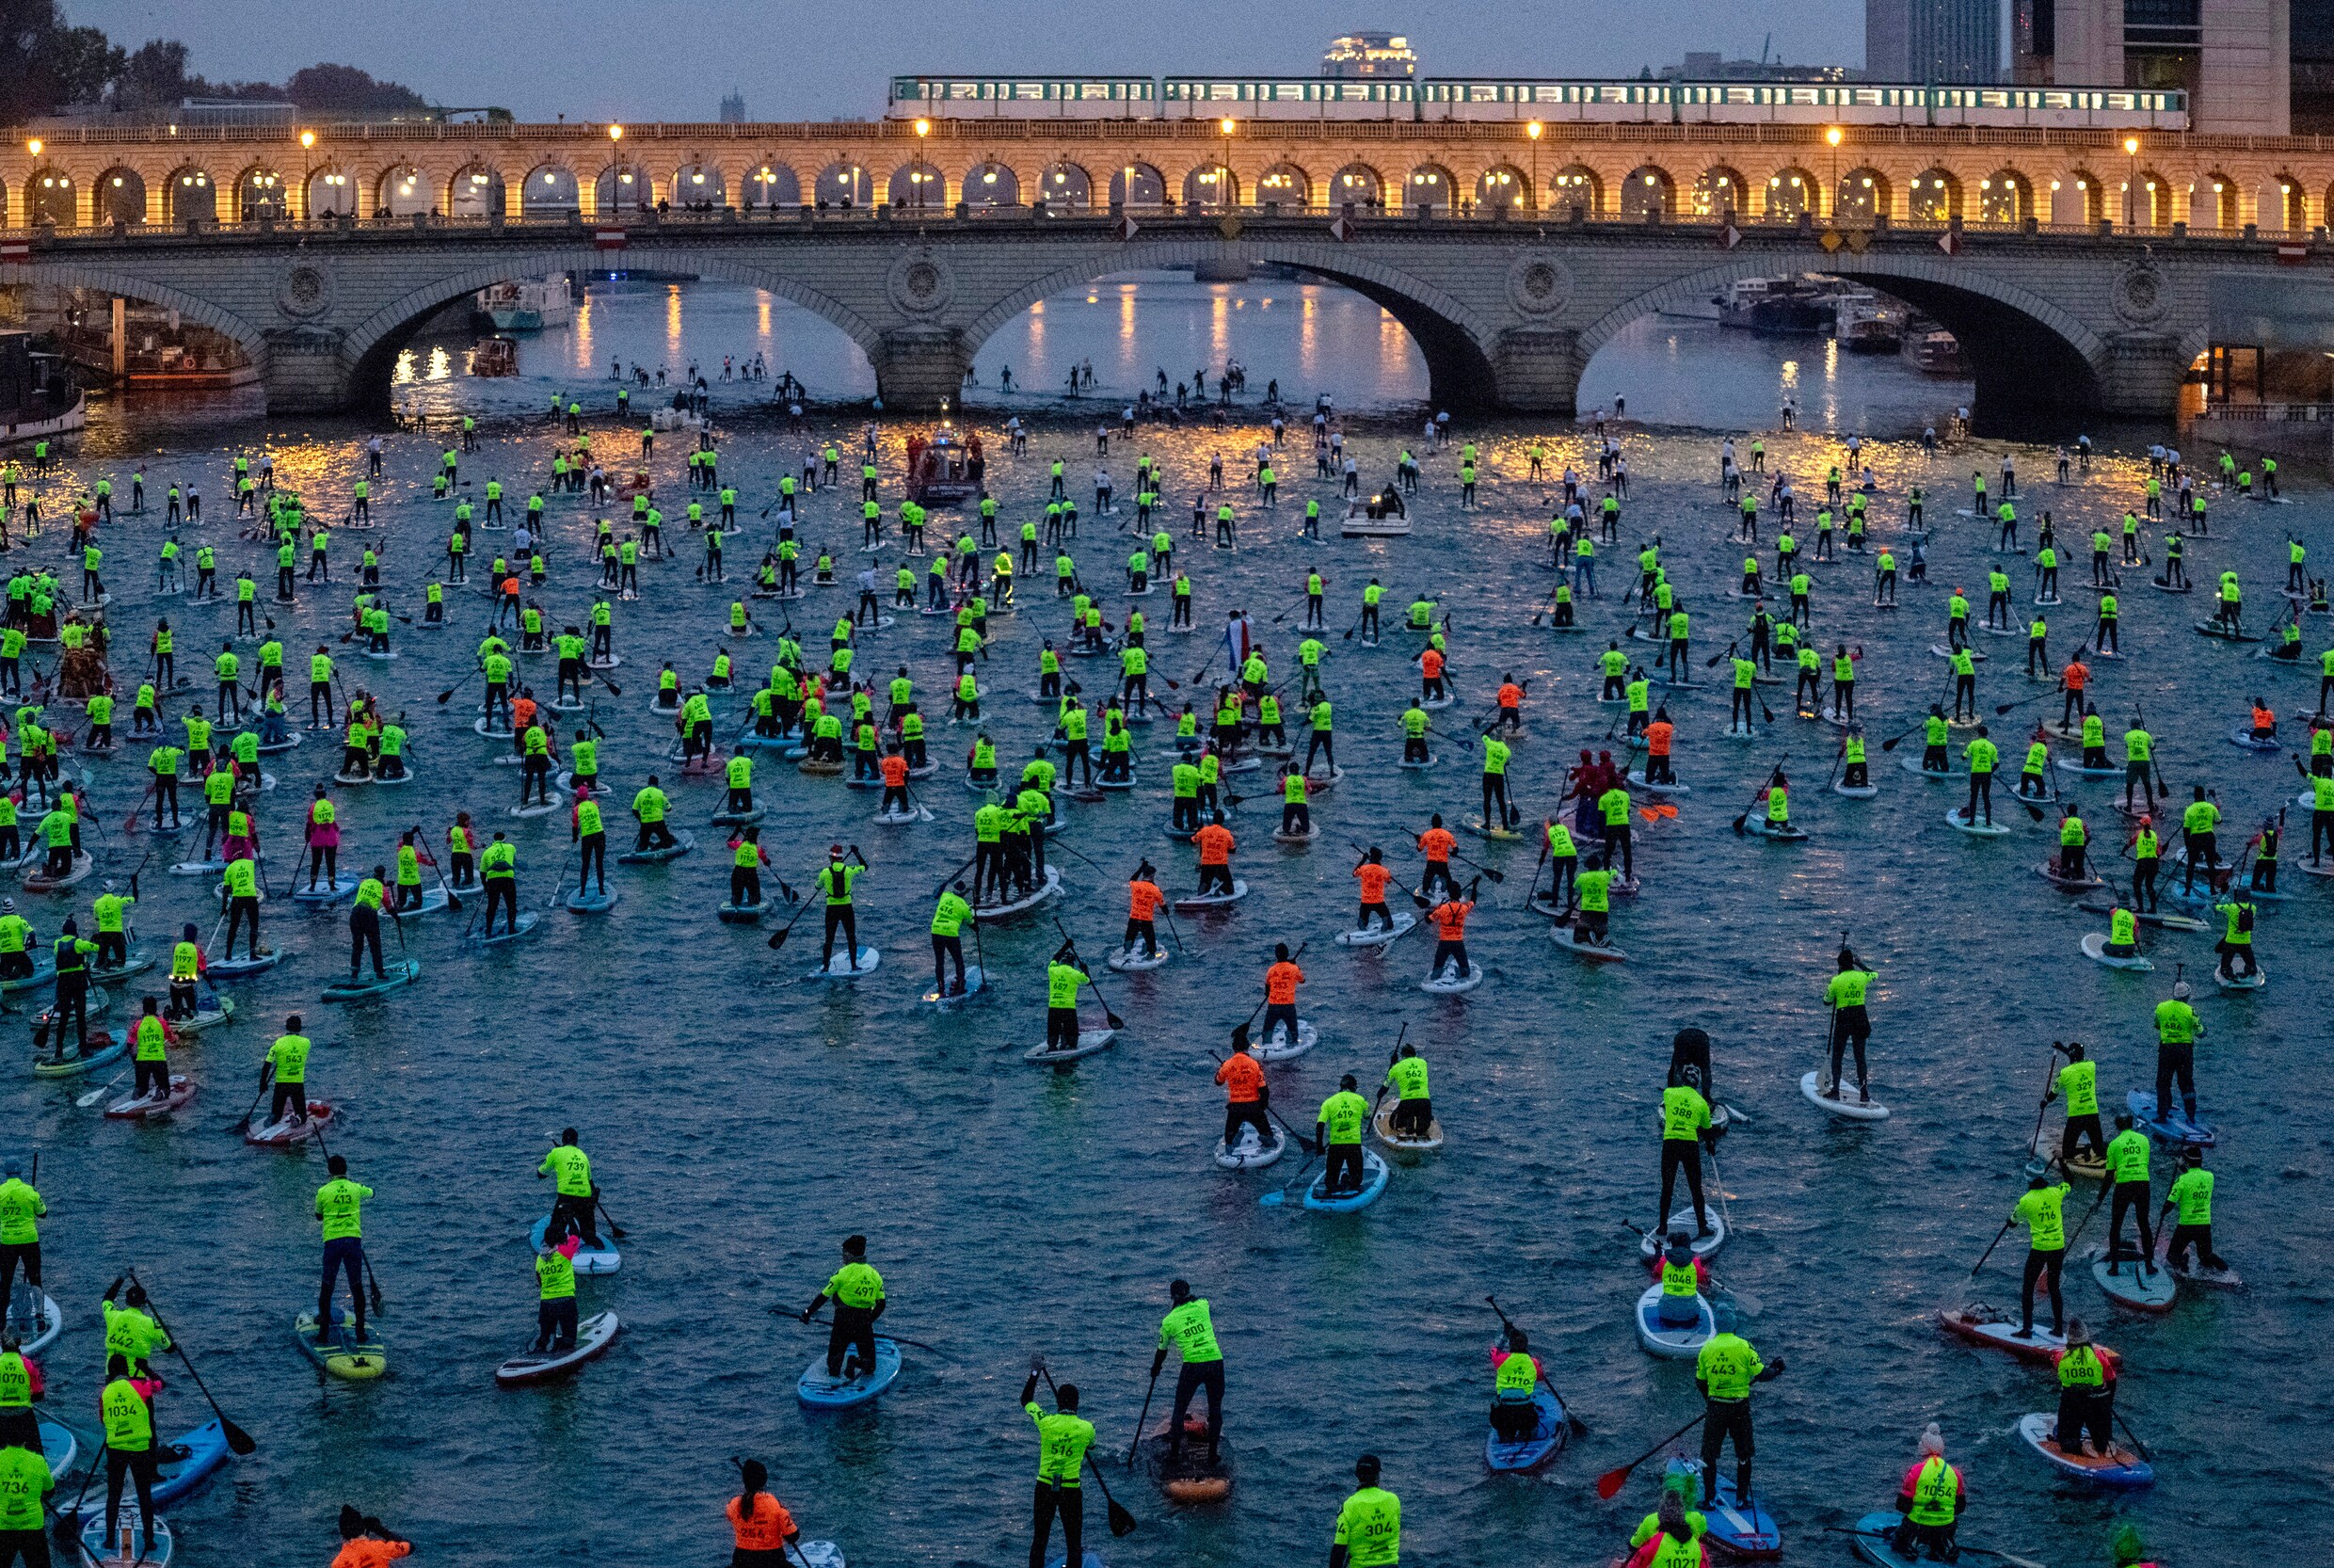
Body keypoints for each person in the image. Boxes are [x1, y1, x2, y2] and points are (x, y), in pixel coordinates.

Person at [1694, 1328, 1782, 1507]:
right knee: (1744, 1454)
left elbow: (1700, 1381)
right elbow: (1762, 1375)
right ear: (1734, 1327)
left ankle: (1709, 1500)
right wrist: (1777, 1369)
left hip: (1716, 1409)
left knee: (1708, 1454)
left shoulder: (1707, 1348)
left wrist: (1710, 1401)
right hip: (1740, 1409)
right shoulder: (1744, 1346)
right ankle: (1741, 1500)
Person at [1021, 1355, 1094, 1568]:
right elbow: (1092, 1447)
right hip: (1070, 1490)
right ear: (1077, 1404)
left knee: (1039, 1541)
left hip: (1044, 1487)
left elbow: (1026, 1400)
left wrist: (1035, 1373)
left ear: (1058, 1402)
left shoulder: (1046, 1422)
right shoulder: (1087, 1428)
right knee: (1074, 1544)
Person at [1153, 1278, 1225, 1465]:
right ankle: (1212, 1456)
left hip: (1193, 1364)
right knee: (1215, 1410)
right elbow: (1198, 1299)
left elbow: (1162, 1351)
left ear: (1171, 1297)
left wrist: (1156, 1369)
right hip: (1215, 1361)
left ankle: (1175, 1455)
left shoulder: (1168, 1321)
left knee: (1179, 1410)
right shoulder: (1203, 1305)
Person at [799, 1234, 885, 1382]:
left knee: (833, 1365)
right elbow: (881, 1305)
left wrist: (807, 1313)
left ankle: (837, 1369)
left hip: (843, 1321)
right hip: (864, 1321)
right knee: (870, 1366)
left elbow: (823, 1297)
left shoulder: (842, 1274)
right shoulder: (875, 1275)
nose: (843, 1257)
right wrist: (868, 1321)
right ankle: (857, 1361)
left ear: (850, 1254)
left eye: (844, 1253)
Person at [98, 1352, 159, 1558]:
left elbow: (103, 1420)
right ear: (126, 1369)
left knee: (113, 1495)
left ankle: (109, 1539)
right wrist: (146, 1369)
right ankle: (149, 1541)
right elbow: (160, 1384)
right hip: (140, 1449)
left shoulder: (105, 1392)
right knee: (144, 1495)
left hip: (115, 1450)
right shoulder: (140, 1386)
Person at [312, 1154, 372, 1346]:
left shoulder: (323, 1191)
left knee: (327, 1286)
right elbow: (371, 1193)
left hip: (332, 1243)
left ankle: (323, 1334)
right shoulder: (355, 1188)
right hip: (353, 1242)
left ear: (329, 1172)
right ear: (345, 1170)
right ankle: (361, 1333)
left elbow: (319, 1216)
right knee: (356, 1286)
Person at [1888, 1422, 1966, 1562]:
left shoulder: (1916, 1471)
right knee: (1939, 1540)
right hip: (1946, 1526)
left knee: (1896, 1544)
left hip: (1919, 1525)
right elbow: (1959, 1508)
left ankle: (1912, 1543)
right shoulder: (1956, 1473)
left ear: (1923, 1447)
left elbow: (1903, 1506)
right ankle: (1943, 1544)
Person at [2012, 1167, 2071, 1338]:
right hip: (2057, 1247)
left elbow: (2014, 1221)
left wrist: (2009, 1221)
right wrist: (2062, 1162)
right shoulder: (2056, 1192)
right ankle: (2059, 1328)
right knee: (2054, 1287)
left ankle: (2027, 1329)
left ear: (2029, 1180)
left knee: (2028, 1287)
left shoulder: (2025, 1200)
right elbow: (2069, 1183)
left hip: (2039, 1249)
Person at [2049, 1320, 2114, 1458]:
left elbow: (2059, 1374)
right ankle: (2107, 1444)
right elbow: (2112, 1380)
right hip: (2097, 1404)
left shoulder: (2060, 1357)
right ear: (2086, 1335)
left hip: (2072, 1405)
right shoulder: (2098, 1355)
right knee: (2102, 1434)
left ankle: (2080, 1446)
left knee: (2066, 1442)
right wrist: (2108, 1404)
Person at [1658, 1070, 1713, 1238]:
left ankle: (1662, 1227)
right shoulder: (1701, 1103)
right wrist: (1711, 1146)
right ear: (1697, 1084)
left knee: (1667, 1187)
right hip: (1690, 1145)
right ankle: (1702, 1228)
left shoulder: (1669, 1093)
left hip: (1670, 1144)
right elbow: (1708, 1130)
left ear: (1682, 1079)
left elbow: (1669, 1091)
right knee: (1695, 1188)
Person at [1823, 948, 1878, 1103]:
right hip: (1860, 1019)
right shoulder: (1862, 977)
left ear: (1840, 965)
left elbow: (1826, 1001)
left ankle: (1835, 1091)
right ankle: (1864, 1093)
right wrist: (1861, 964)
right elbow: (1874, 974)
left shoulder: (1836, 980)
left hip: (1844, 1020)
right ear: (1853, 963)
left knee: (1837, 1056)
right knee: (1860, 1057)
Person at [2161, 1144, 2225, 1272]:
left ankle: (2183, 1261)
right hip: (2204, 1224)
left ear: (2187, 1161)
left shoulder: (2182, 1180)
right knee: (2205, 1257)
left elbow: (2170, 1203)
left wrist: (2163, 1213)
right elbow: (2195, 1177)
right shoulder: (2210, 1177)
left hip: (2186, 1225)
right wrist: (2183, 1167)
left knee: (2172, 1256)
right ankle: (2225, 1269)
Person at [724, 1460, 799, 1568]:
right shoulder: (774, 1504)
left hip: (742, 1561)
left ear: (745, 1481)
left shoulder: (734, 1504)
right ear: (764, 1480)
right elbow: (793, 1536)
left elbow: (729, 1515)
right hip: (771, 1561)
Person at [1329, 1454, 1400, 1568]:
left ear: (1357, 1475)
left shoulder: (1349, 1506)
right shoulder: (1394, 1500)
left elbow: (1339, 1549)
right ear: (1377, 1475)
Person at [2045, 1041, 2106, 1171]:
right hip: (2092, 1113)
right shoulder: (2091, 1066)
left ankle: (2084, 1150)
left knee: (2067, 1153)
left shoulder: (2064, 1073)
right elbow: (2076, 1056)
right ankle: (2095, 1149)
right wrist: (2063, 1048)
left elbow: (2053, 1095)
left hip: (2075, 1116)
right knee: (2100, 1150)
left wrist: (2045, 1102)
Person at [538, 1128, 600, 1248]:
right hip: (586, 1199)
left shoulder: (556, 1152)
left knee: (555, 1232)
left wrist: (555, 1164)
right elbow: (590, 1182)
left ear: (562, 1140)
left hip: (566, 1199)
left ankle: (570, 1230)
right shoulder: (583, 1155)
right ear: (576, 1142)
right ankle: (587, 1234)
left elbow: (540, 1174)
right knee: (588, 1232)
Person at [0, 1160, 45, 1320]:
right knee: (35, 1278)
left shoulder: (0, 1191)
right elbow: (43, 1213)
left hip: (7, 1242)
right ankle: (39, 1314)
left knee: (5, 1281)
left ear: (6, 1174)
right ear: (20, 1173)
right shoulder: (29, 1191)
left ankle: (2, 1317)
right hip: (29, 1240)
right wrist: (34, 1194)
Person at [1316, 1073, 1370, 1196]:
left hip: (1336, 1146)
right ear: (1354, 1088)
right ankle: (1348, 1179)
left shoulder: (1328, 1102)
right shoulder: (1360, 1100)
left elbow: (1320, 1124)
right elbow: (1368, 1115)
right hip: (1353, 1145)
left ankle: (1334, 1182)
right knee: (1357, 1180)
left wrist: (1319, 1146)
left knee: (1331, 1181)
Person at [1216, 1036, 1271, 1155]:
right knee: (1267, 1133)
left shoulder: (1227, 1064)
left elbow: (1218, 1081)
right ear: (1247, 1048)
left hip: (1235, 1108)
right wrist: (1263, 1105)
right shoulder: (1255, 1064)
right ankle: (1265, 1137)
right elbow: (1264, 1090)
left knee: (1229, 1137)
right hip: (1253, 1107)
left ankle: (1232, 1139)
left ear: (1233, 1048)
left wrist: (1222, 1069)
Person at [1488, 1327, 1544, 1442]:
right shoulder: (1534, 1363)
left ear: (1510, 1345)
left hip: (1503, 1416)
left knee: (1504, 1425)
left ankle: (1506, 1438)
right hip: (1525, 1416)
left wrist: (1505, 1335)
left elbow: (1494, 1350)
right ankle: (1526, 1436)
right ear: (1526, 1345)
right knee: (1530, 1424)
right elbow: (1540, 1377)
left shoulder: (1501, 1359)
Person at [532, 1232, 581, 1353]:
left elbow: (539, 1279)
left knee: (546, 1333)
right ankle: (566, 1349)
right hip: (566, 1299)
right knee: (569, 1336)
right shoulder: (565, 1252)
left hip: (546, 1301)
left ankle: (543, 1343)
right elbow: (575, 1239)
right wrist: (567, 1236)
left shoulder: (540, 1258)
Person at [331, 1506, 414, 1568]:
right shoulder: (381, 1548)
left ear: (342, 1533)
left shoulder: (337, 1563)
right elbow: (410, 1546)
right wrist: (379, 1529)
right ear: (363, 1527)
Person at [1261, 942, 1305, 1048]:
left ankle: (1266, 1044)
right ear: (1287, 954)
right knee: (1292, 1029)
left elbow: (1267, 989)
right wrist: (1295, 966)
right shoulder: (1294, 969)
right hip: (1288, 1005)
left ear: (1276, 955)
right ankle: (1291, 1043)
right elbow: (1302, 980)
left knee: (1268, 1028)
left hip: (1273, 1005)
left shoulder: (1271, 970)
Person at [1383, 1044, 1431, 1138]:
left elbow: (1384, 1088)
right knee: (1422, 1129)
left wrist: (1394, 1063)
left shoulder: (1396, 1068)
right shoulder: (1423, 1063)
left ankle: (1409, 1125)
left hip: (1408, 1104)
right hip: (1425, 1103)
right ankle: (1420, 1126)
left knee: (1393, 1124)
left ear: (1403, 1056)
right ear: (1415, 1054)